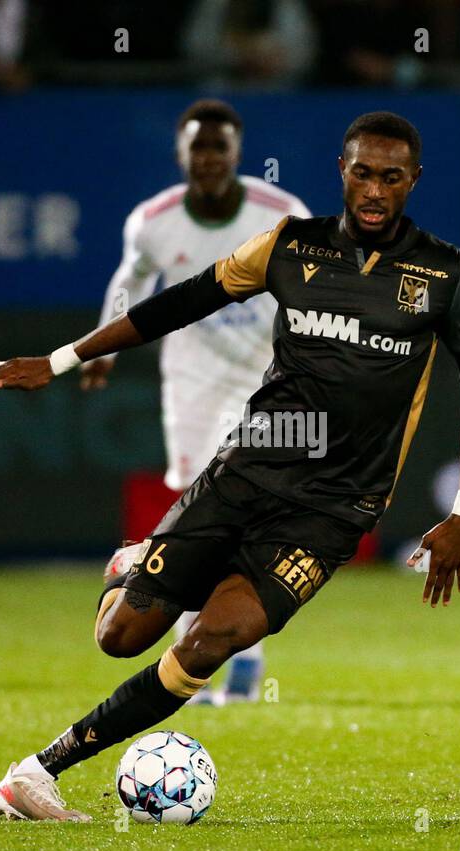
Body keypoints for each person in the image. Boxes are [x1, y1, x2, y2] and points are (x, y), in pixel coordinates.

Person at [0, 111, 460, 822]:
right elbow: (183, 301)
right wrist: (63, 358)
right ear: (341, 170)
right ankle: (132, 566)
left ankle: (37, 773)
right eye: (363, 172)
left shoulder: (445, 273)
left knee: (211, 639)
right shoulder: (289, 247)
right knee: (119, 637)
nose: (375, 190)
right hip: (249, 470)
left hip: (334, 509)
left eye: (392, 176)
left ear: (413, 180)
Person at [86, 98, 310, 706]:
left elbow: (316, 283)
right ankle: (215, 657)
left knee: (237, 511)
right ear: (182, 154)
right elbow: (129, 279)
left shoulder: (281, 214)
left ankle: (224, 651)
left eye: (219, 148)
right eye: (198, 148)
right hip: (190, 378)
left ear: (236, 155)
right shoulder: (154, 219)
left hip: (266, 382)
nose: (208, 159)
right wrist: (101, 348)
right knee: (195, 512)